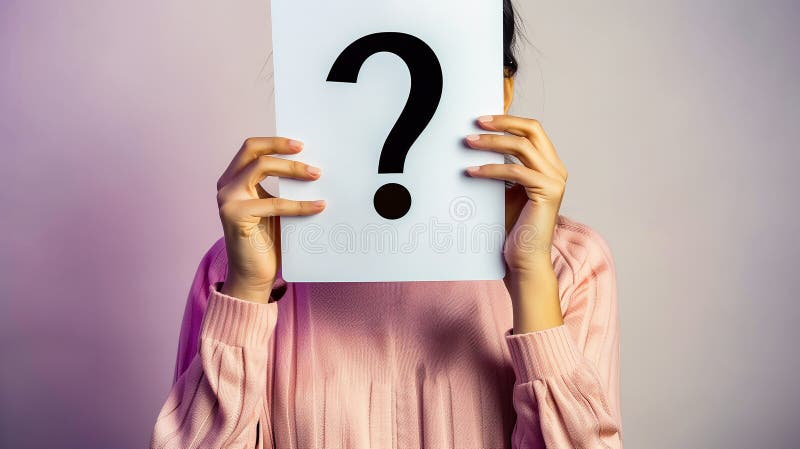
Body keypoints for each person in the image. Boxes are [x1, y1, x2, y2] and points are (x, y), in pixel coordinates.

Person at [150, 1, 623, 447]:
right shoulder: (237, 267)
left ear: (501, 87)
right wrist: (247, 290)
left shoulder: (569, 264)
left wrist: (531, 277)